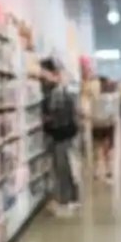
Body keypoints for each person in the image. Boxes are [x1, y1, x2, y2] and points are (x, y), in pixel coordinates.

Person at [40, 57, 81, 213]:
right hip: (66, 135)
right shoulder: (62, 91)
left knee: (62, 168)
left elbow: (58, 118)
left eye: (44, 73)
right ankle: (71, 199)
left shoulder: (57, 93)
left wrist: (48, 123)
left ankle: (66, 200)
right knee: (67, 167)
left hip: (61, 136)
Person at [90, 77, 119, 182]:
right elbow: (113, 112)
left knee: (97, 149)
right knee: (107, 149)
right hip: (107, 125)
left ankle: (97, 171)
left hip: (97, 125)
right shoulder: (110, 97)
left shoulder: (94, 98)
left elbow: (91, 113)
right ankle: (108, 170)